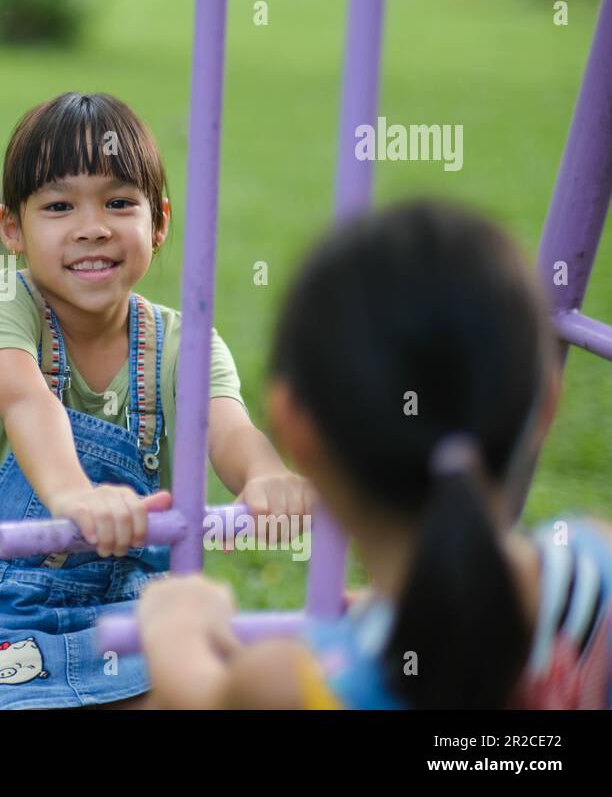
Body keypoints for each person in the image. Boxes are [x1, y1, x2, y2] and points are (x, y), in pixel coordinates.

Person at [0, 91, 312, 710]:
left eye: (119, 203)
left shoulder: (182, 342)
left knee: (237, 693)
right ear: (12, 228)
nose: (91, 226)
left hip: (131, 611)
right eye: (59, 205)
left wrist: (266, 475)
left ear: (160, 223)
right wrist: (75, 495)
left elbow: (227, 429)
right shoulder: (0, 303)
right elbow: (25, 402)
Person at [137, 199, 612, 709]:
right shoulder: (596, 568)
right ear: (545, 405)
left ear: (295, 429)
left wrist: (178, 630)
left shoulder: (298, 685)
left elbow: (199, 696)